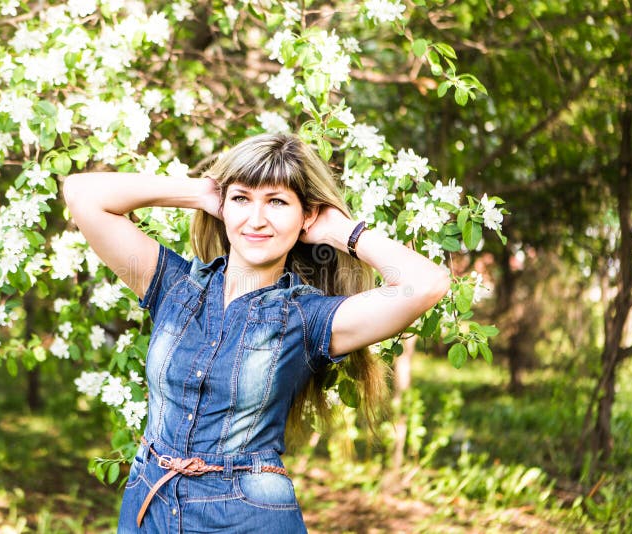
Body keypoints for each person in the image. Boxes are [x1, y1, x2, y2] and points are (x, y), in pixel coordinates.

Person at [62, 133, 450, 533]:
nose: (257, 219)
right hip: (149, 505)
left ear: (306, 216)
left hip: (246, 517)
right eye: (242, 199)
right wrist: (203, 192)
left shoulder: (308, 318)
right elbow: (81, 193)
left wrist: (343, 232)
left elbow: (425, 284)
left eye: (278, 202)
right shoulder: (173, 286)